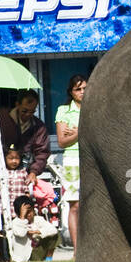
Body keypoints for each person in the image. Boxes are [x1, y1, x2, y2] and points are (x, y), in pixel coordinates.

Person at [54, 73, 83, 249]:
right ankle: (77, 249)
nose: (82, 92)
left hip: (91, 157)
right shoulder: (63, 111)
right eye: (78, 89)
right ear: (71, 92)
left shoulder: (94, 108)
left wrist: (75, 132)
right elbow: (62, 141)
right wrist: (81, 132)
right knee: (75, 205)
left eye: (85, 88)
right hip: (72, 159)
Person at [0, 89, 48, 175]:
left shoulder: (39, 126)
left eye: (32, 112)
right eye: (24, 111)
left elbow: (42, 153)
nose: (28, 114)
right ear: (17, 105)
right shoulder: (1, 120)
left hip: (26, 173)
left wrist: (34, 172)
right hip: (1, 172)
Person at [6, 194, 59, 262]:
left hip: (36, 252)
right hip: (22, 256)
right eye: (25, 212)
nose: (29, 214)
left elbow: (53, 230)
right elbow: (21, 233)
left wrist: (36, 232)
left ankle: (48, 259)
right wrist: (22, 218)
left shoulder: (38, 219)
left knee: (55, 236)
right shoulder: (16, 222)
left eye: (30, 211)